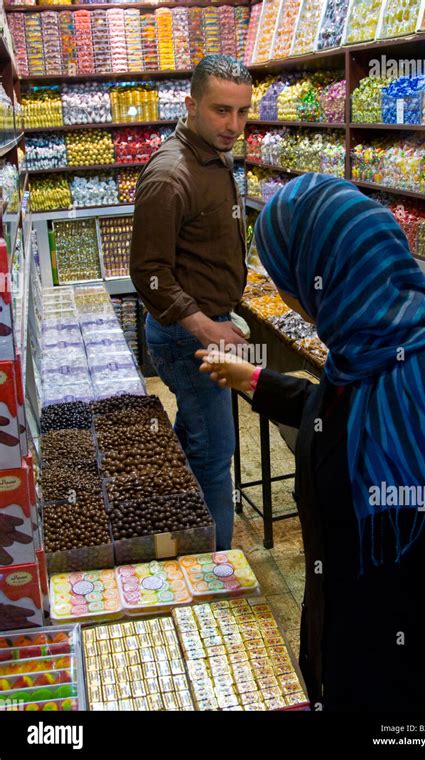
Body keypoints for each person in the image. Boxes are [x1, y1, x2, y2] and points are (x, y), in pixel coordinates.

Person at [196, 172, 425, 713]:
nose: (280, 292)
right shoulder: (367, 354)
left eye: (282, 277)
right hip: (354, 647)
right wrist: (253, 380)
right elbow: (343, 421)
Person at [130, 55, 252, 551]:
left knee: (195, 437)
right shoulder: (169, 175)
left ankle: (173, 536)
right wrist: (206, 328)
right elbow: (149, 273)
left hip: (205, 324)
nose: (233, 125)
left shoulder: (211, 154)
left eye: (243, 112)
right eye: (221, 111)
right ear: (191, 105)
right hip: (187, 337)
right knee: (215, 454)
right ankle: (215, 571)